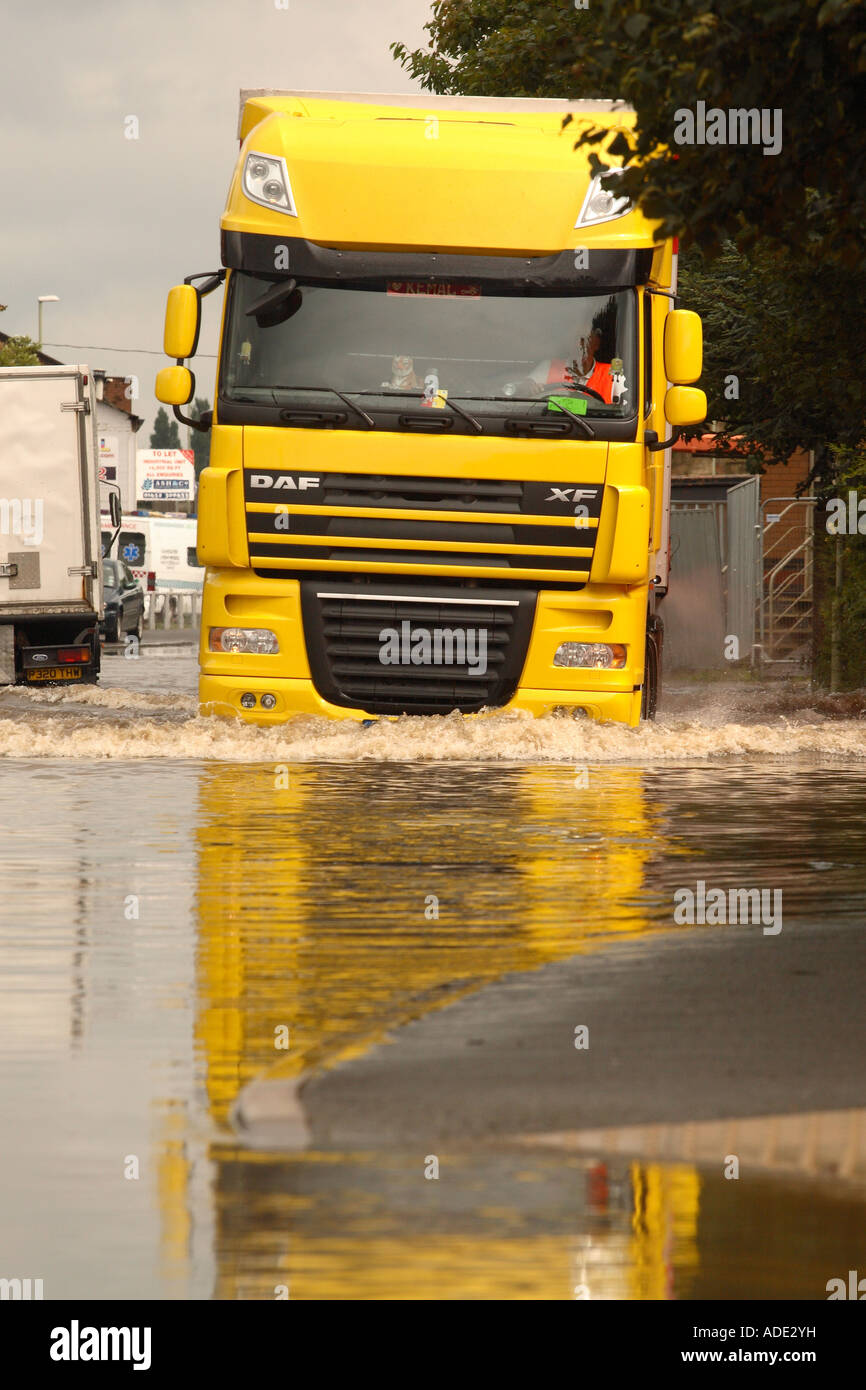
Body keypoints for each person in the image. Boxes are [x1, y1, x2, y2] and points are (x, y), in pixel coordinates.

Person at [525, 326, 614, 403]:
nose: (578, 344)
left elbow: (623, 410)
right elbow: (523, 389)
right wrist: (530, 387)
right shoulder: (548, 367)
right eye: (574, 339)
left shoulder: (613, 374)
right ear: (568, 344)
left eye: (585, 339)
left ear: (596, 344)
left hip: (597, 423)